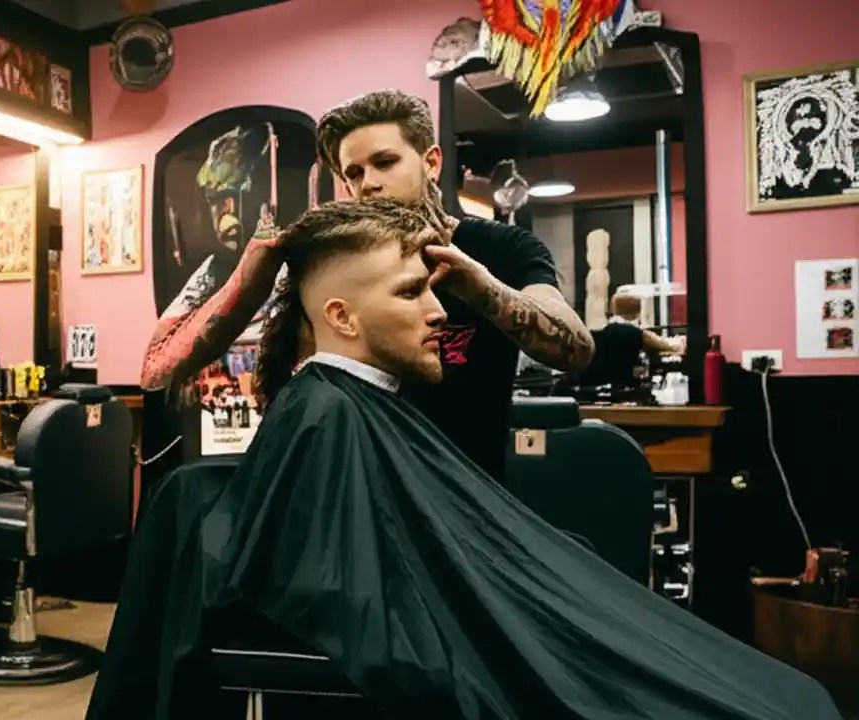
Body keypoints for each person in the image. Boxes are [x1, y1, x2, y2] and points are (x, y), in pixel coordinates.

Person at [87, 199, 841, 720]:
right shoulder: (326, 418)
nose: (441, 312)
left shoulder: (352, 406)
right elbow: (367, 617)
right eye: (412, 293)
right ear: (341, 315)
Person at [141, 89, 594, 482]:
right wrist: (250, 281)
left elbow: (575, 348)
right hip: (356, 503)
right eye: (353, 174)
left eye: (385, 162)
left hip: (466, 504)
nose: (368, 184)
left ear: (431, 162)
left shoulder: (502, 248)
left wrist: (480, 288)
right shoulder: (335, 261)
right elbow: (157, 372)